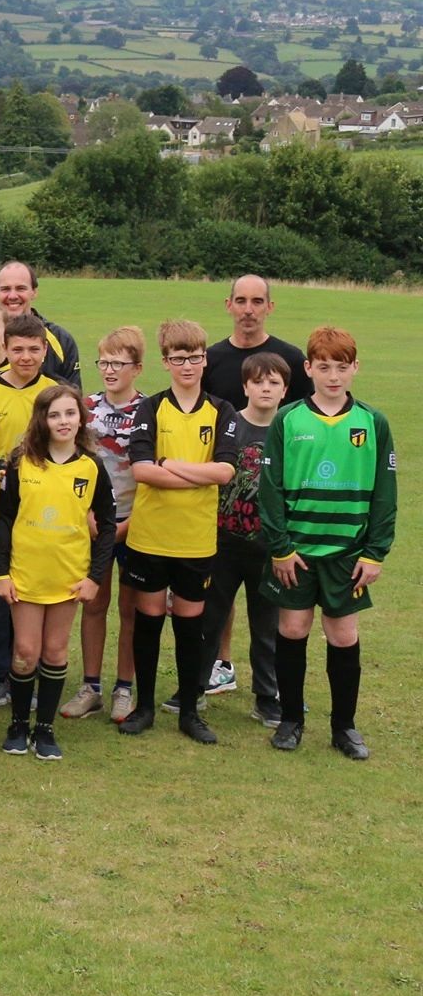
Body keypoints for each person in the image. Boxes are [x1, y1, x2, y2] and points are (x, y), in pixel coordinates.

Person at [259, 327, 396, 760]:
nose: (332, 376)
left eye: (341, 367)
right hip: (295, 552)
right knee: (292, 629)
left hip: (348, 555)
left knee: (342, 635)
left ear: (355, 368)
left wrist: (375, 553)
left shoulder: (373, 423)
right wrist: (280, 547)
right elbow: (271, 488)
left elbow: (385, 493)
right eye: (323, 367)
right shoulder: (289, 419)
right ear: (308, 369)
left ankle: (344, 727)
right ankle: (291, 721)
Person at [120, 319, 240, 743]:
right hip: (151, 537)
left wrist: (171, 465)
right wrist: (196, 474)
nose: (186, 365)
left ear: (205, 359)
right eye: (177, 358)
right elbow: (141, 470)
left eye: (194, 357)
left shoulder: (221, 411)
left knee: (191, 625)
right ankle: (145, 707)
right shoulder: (149, 409)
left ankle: (190, 711)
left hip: (195, 539)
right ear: (166, 362)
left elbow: (225, 471)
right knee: (149, 619)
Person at [0, 384, 116, 761]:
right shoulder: (21, 462)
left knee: (56, 649)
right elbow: (5, 518)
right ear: (42, 421)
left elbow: (108, 524)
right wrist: (1, 572)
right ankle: (18, 725)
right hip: (26, 573)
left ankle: (44, 729)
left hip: (67, 575)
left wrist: (94, 576)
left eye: (70, 413)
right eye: (54, 414)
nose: (63, 421)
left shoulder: (91, 466)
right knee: (26, 652)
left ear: (81, 418)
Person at [0, 313, 59, 712]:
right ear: (5, 349)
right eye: (17, 349)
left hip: (39, 515)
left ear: (44, 351)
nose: (25, 356)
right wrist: (1, 466)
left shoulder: (54, 391)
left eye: (33, 350)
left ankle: (28, 675)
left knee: (33, 597)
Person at [204, 353, 289, 724]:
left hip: (268, 548)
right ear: (245, 387)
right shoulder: (230, 426)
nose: (265, 388)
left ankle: (267, 696)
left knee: (266, 626)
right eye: (258, 382)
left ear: (285, 390)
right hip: (224, 542)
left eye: (273, 382)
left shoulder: (289, 431)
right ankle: (193, 685)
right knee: (210, 618)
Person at [68, 327, 145, 721]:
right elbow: (71, 465)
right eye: (104, 362)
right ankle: (91, 687)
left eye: (119, 363)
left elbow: (152, 476)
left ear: (138, 367)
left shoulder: (150, 412)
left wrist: (126, 525)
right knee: (94, 603)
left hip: (135, 525)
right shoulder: (84, 408)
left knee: (131, 609)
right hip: (93, 525)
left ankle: (124, 689)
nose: (110, 370)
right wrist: (85, 514)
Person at [0, 261, 81, 386]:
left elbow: (74, 396)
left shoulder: (61, 339)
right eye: (5, 289)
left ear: (34, 292)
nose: (12, 295)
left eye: (20, 288)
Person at [203, 273, 311, 409]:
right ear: (229, 305)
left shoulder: (292, 359)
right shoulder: (209, 360)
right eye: (241, 301)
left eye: (257, 302)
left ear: (270, 307)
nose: (248, 310)